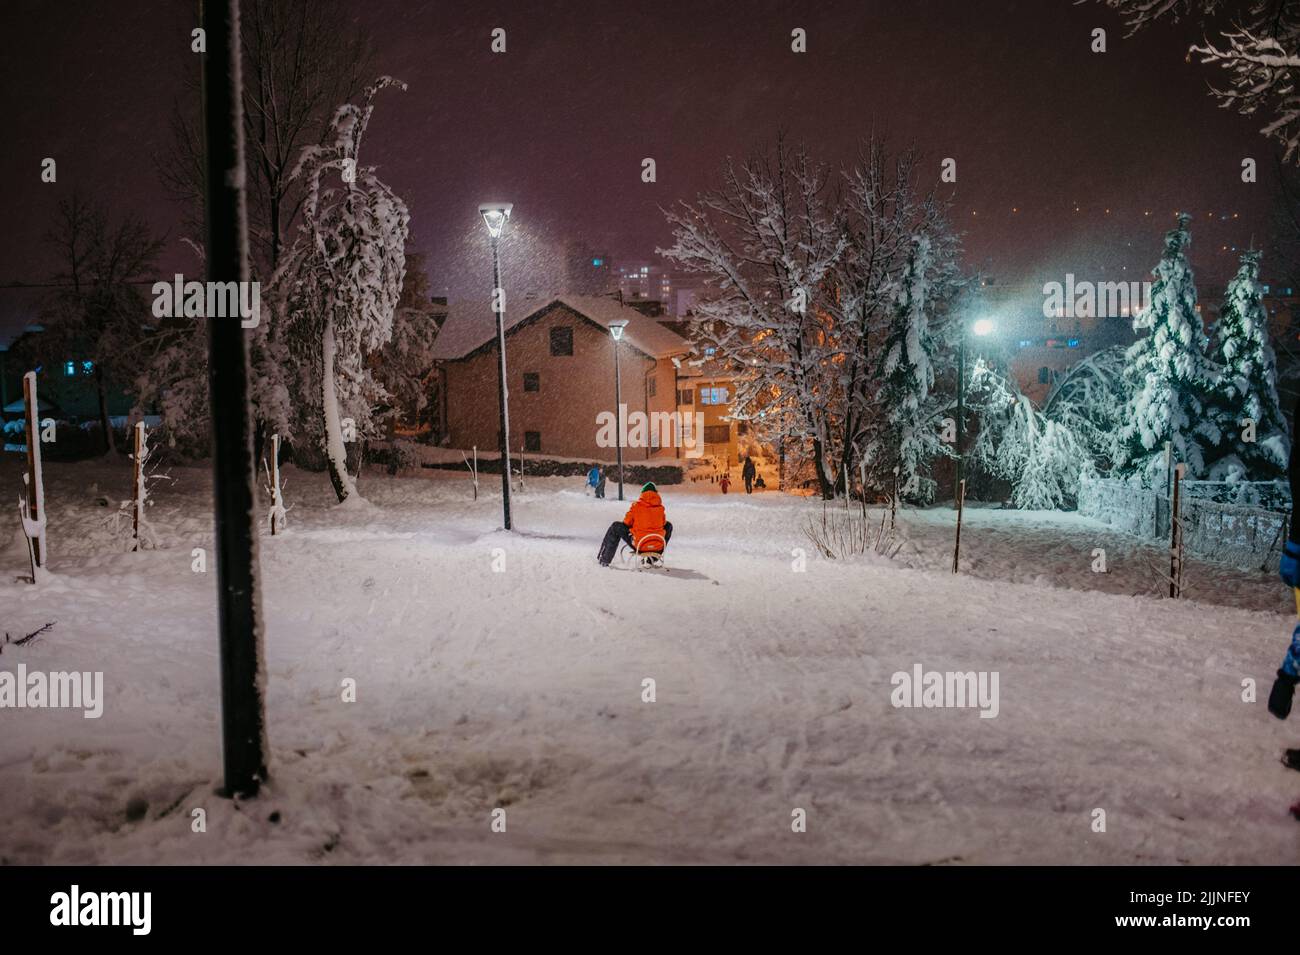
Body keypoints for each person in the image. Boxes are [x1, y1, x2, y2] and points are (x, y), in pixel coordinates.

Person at [597, 482, 672, 566]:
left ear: (642, 493)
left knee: (615, 526)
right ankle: (652, 559)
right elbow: (663, 524)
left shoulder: (636, 506)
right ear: (656, 493)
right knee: (669, 526)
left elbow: (626, 522)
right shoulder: (660, 508)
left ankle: (604, 559)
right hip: (657, 546)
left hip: (640, 545)